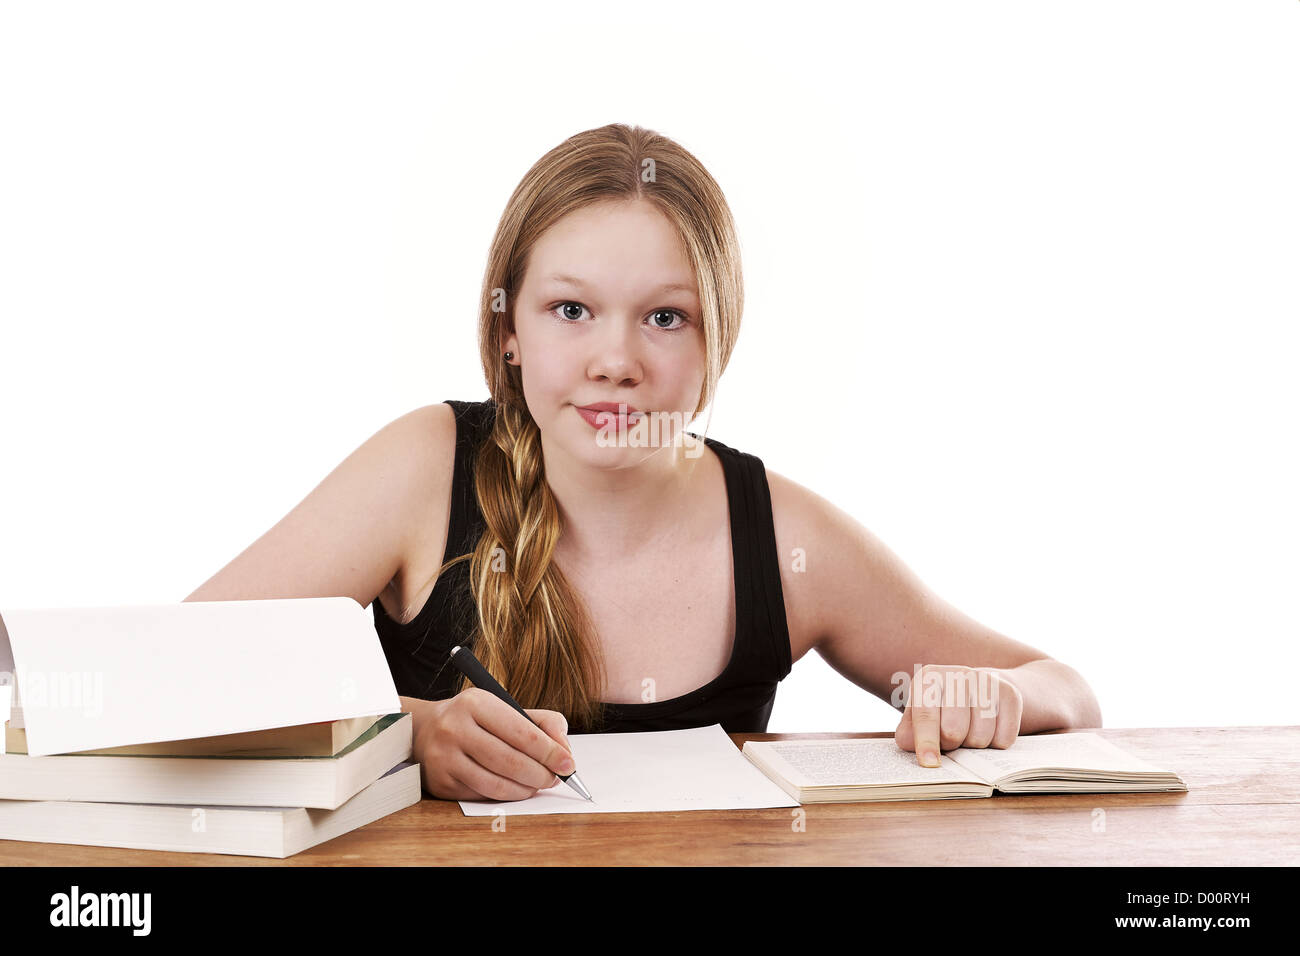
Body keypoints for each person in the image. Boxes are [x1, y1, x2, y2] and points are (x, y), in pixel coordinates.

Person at [185, 123, 1102, 802]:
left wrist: (995, 694)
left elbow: (1064, 688)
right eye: (570, 310)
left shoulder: (781, 536)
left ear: (716, 340)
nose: (614, 360)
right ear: (508, 332)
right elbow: (156, 679)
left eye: (665, 317)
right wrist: (405, 732)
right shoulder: (424, 471)